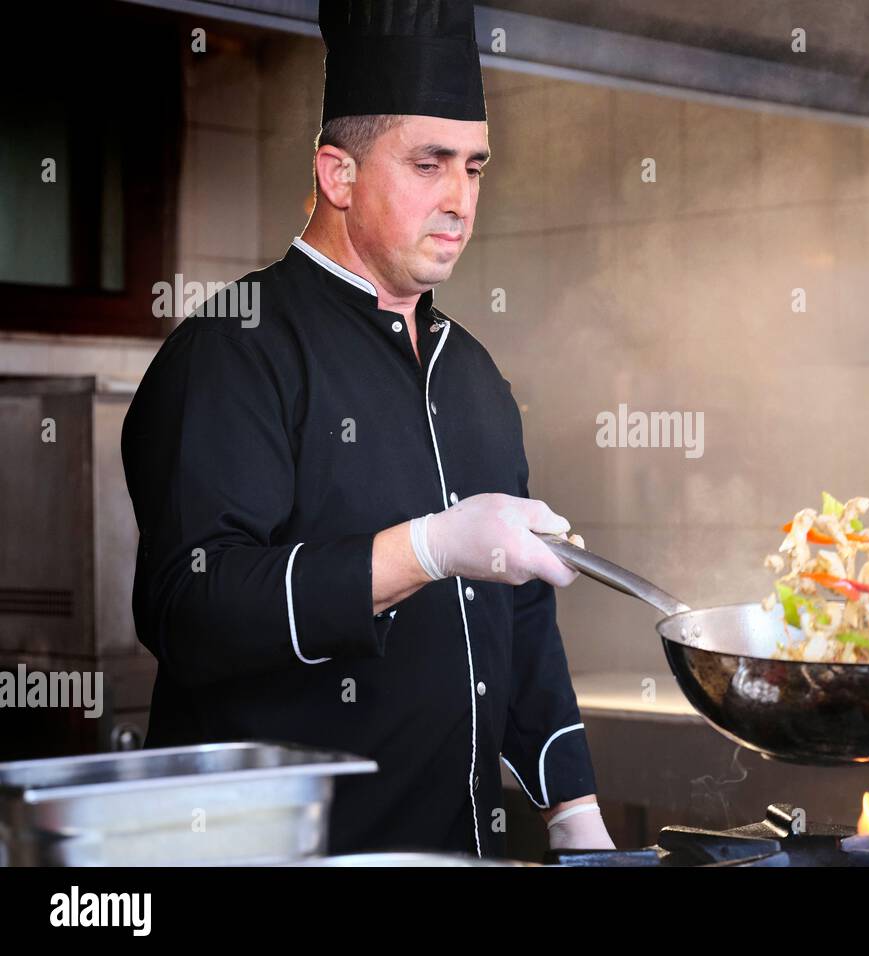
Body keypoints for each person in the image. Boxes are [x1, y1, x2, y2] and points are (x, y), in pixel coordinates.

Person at [120, 0, 614, 857]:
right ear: (338, 175)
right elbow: (191, 609)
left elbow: (524, 614)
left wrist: (577, 816)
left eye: (474, 168)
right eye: (429, 164)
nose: (459, 200)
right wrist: (424, 550)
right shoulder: (234, 349)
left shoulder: (476, 376)